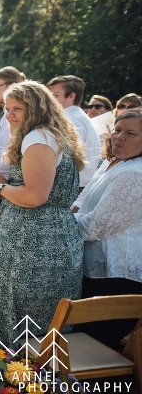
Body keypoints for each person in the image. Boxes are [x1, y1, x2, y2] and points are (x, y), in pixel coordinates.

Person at [0, 81, 85, 346]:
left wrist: (0, 185)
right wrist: (1, 193)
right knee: (44, 312)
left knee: (26, 310)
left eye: (18, 109)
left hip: (33, 239)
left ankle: (23, 368)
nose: (9, 114)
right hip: (49, 233)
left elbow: (36, 197)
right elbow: (41, 188)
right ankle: (38, 368)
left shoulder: (38, 139)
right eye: (7, 108)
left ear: (36, 109)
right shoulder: (51, 135)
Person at [72, 108, 142, 348]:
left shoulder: (135, 173)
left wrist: (57, 223)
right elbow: (83, 202)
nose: (119, 137)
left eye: (130, 133)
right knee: (86, 339)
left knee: (97, 345)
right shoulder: (114, 162)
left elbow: (96, 226)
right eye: (117, 129)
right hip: (98, 268)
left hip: (118, 275)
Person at [47, 75, 101, 190]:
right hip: (76, 184)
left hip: (74, 186)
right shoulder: (75, 116)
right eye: (49, 95)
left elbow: (67, 159)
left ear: (71, 96)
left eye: (56, 95)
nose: (50, 99)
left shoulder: (72, 120)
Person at [0, 66, 27, 178]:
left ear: (12, 86)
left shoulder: (15, 118)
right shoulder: (5, 115)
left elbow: (11, 160)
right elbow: (3, 153)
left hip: (12, 184)